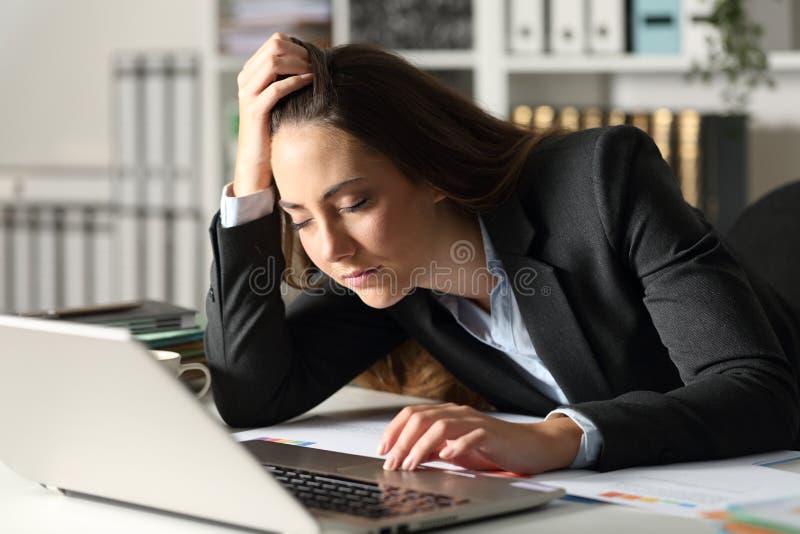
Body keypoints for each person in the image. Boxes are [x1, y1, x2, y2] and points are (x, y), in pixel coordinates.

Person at [204, 33, 800, 474]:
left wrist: (557, 437)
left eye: (355, 202)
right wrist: (251, 178)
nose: (329, 248)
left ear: (431, 171)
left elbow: (756, 390)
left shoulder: (600, 182)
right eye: (300, 217)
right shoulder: (382, 274)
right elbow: (251, 395)